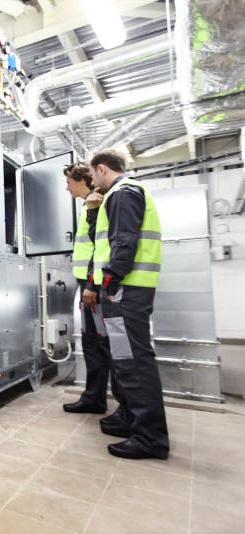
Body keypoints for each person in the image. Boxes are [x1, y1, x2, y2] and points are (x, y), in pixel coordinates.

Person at [86, 150, 169, 460]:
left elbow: (124, 241)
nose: (91, 180)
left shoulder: (123, 193)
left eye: (92, 174)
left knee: (133, 361)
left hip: (126, 289)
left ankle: (150, 437)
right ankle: (133, 420)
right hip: (126, 288)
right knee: (124, 358)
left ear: (101, 169)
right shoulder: (122, 194)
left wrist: (110, 281)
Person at [61, 163, 125, 417]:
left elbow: (100, 249)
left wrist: (91, 285)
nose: (66, 187)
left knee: (105, 344)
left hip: (94, 286)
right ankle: (94, 397)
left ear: (82, 180)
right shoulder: (90, 205)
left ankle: (122, 406)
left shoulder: (98, 204)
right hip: (89, 284)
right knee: (93, 343)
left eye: (69, 182)